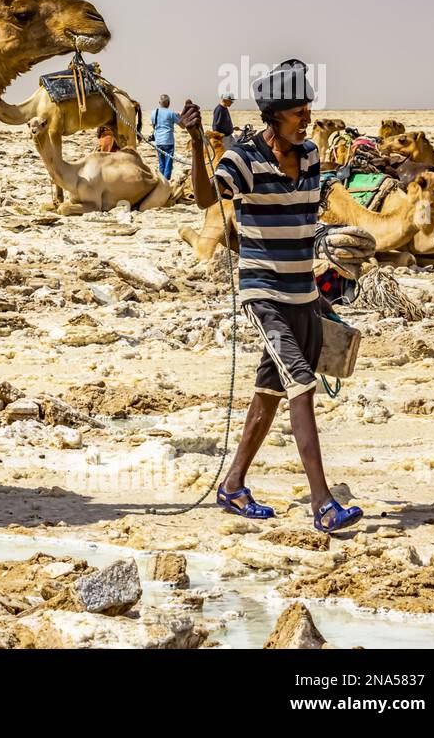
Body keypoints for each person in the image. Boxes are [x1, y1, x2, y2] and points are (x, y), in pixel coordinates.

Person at [181, 59, 362, 534]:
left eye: (307, 109)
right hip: (264, 295)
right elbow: (206, 199)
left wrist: (330, 261)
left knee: (269, 392)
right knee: (301, 384)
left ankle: (233, 485)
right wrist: (198, 142)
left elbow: (304, 222)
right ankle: (323, 504)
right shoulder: (242, 159)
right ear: (275, 114)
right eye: (299, 110)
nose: (307, 117)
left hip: (305, 293)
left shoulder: (311, 157)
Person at [150, 94, 180, 179]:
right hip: (168, 141)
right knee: (168, 164)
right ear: (169, 103)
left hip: (159, 141)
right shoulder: (171, 113)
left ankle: (161, 182)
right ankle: (166, 182)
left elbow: (154, 126)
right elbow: (182, 125)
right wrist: (179, 116)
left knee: (161, 163)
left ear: (159, 102)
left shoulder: (154, 112)